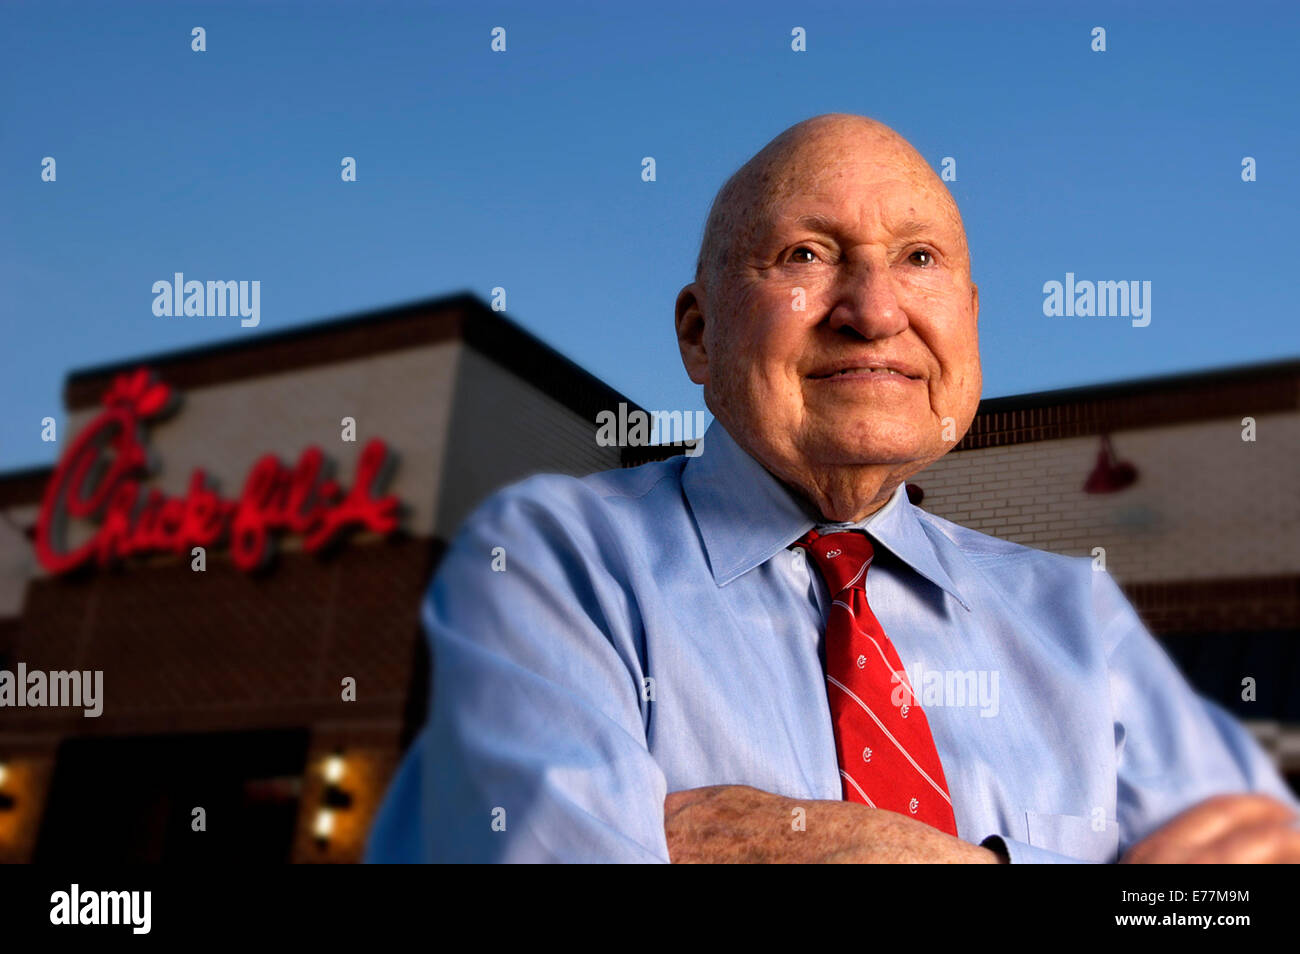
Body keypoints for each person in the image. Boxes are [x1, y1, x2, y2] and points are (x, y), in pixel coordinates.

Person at [366, 114, 1300, 863]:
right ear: (698, 334)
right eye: (807, 255)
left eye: (920, 259)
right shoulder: (549, 562)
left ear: (968, 324)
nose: (876, 312)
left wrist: (902, 857)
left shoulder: (1079, 618)